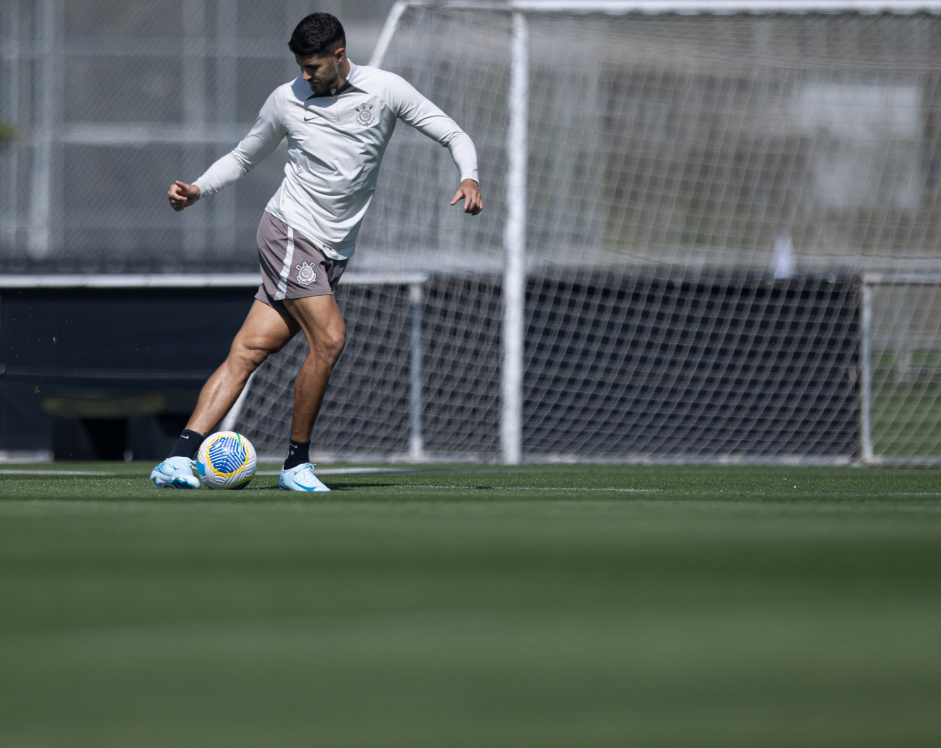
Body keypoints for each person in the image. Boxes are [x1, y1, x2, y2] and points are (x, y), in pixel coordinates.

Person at [150, 12, 482, 491]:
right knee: (329, 339)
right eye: (301, 67)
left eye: (313, 67)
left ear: (340, 56)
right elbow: (245, 157)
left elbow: (453, 133)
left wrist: (468, 175)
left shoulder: (386, 90)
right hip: (289, 231)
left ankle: (177, 458)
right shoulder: (286, 99)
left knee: (248, 351)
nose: (305, 76)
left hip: (333, 249)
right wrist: (198, 189)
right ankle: (296, 464)